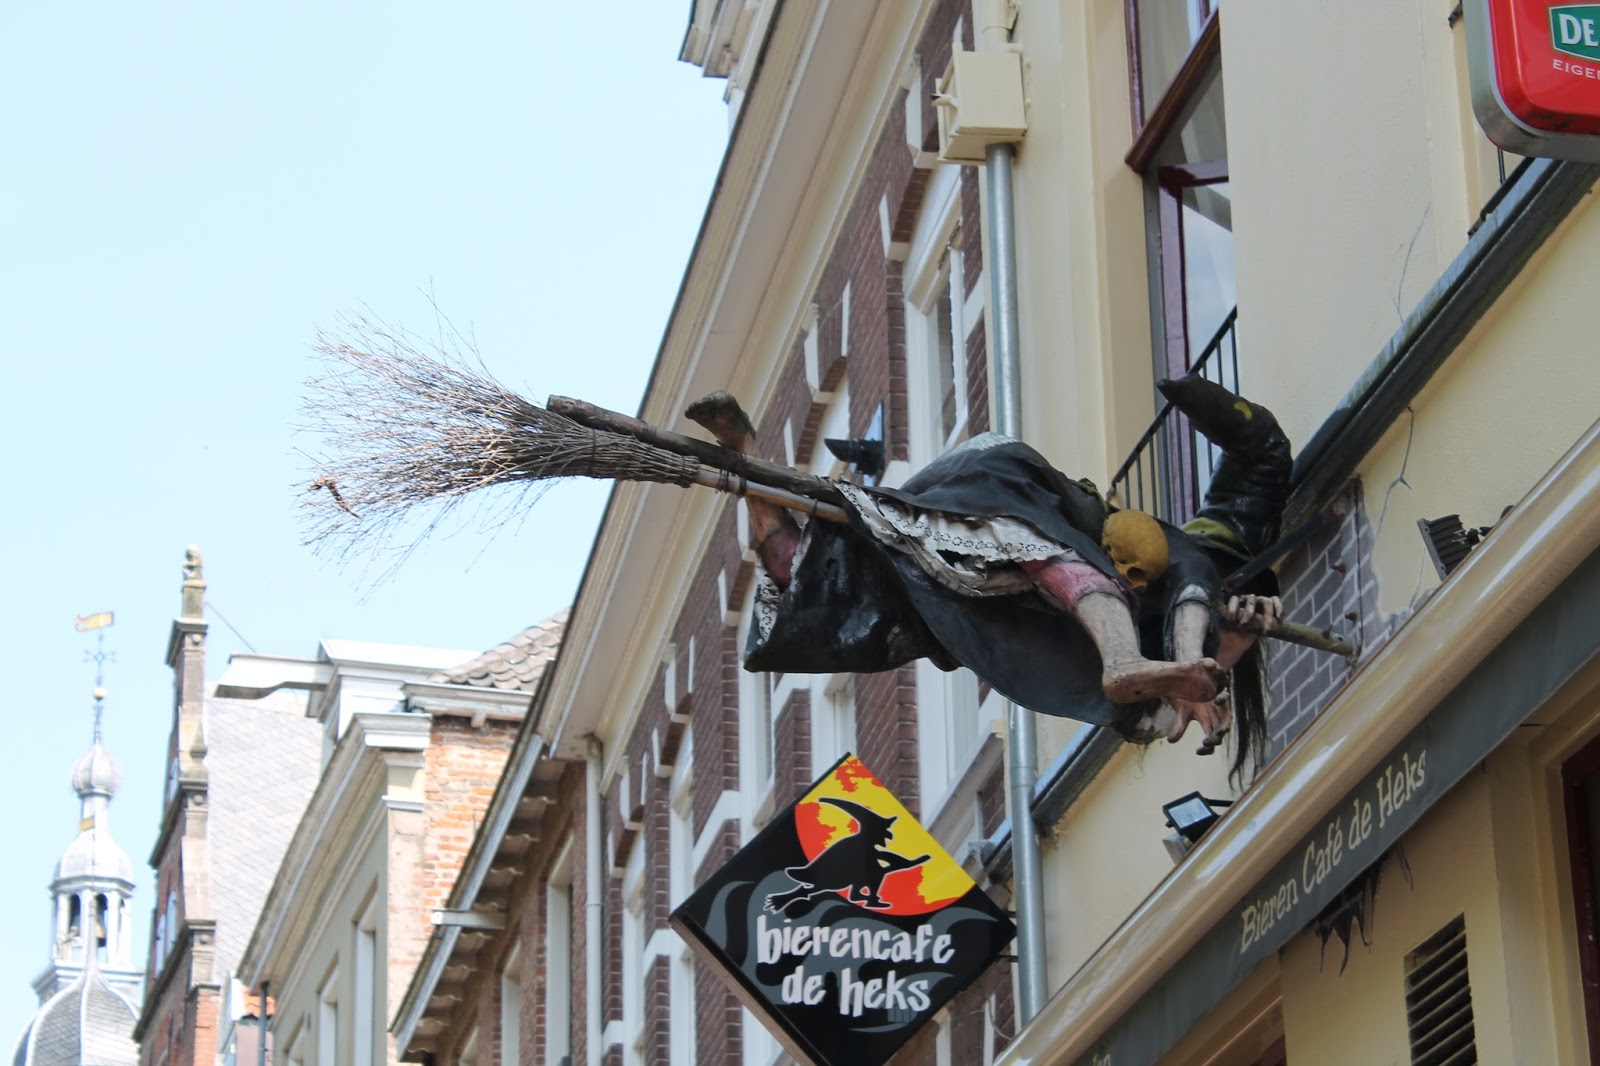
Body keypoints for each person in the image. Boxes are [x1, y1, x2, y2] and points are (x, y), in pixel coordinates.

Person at [687, 374, 1289, 770]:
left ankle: (742, 457)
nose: (1132, 575)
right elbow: (1195, 600)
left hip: (972, 607)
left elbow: (1195, 633)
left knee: (810, 586)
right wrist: (1189, 671)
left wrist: (1194, 680)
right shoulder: (1160, 551)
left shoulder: (1193, 579)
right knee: (1039, 548)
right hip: (985, 503)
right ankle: (743, 457)